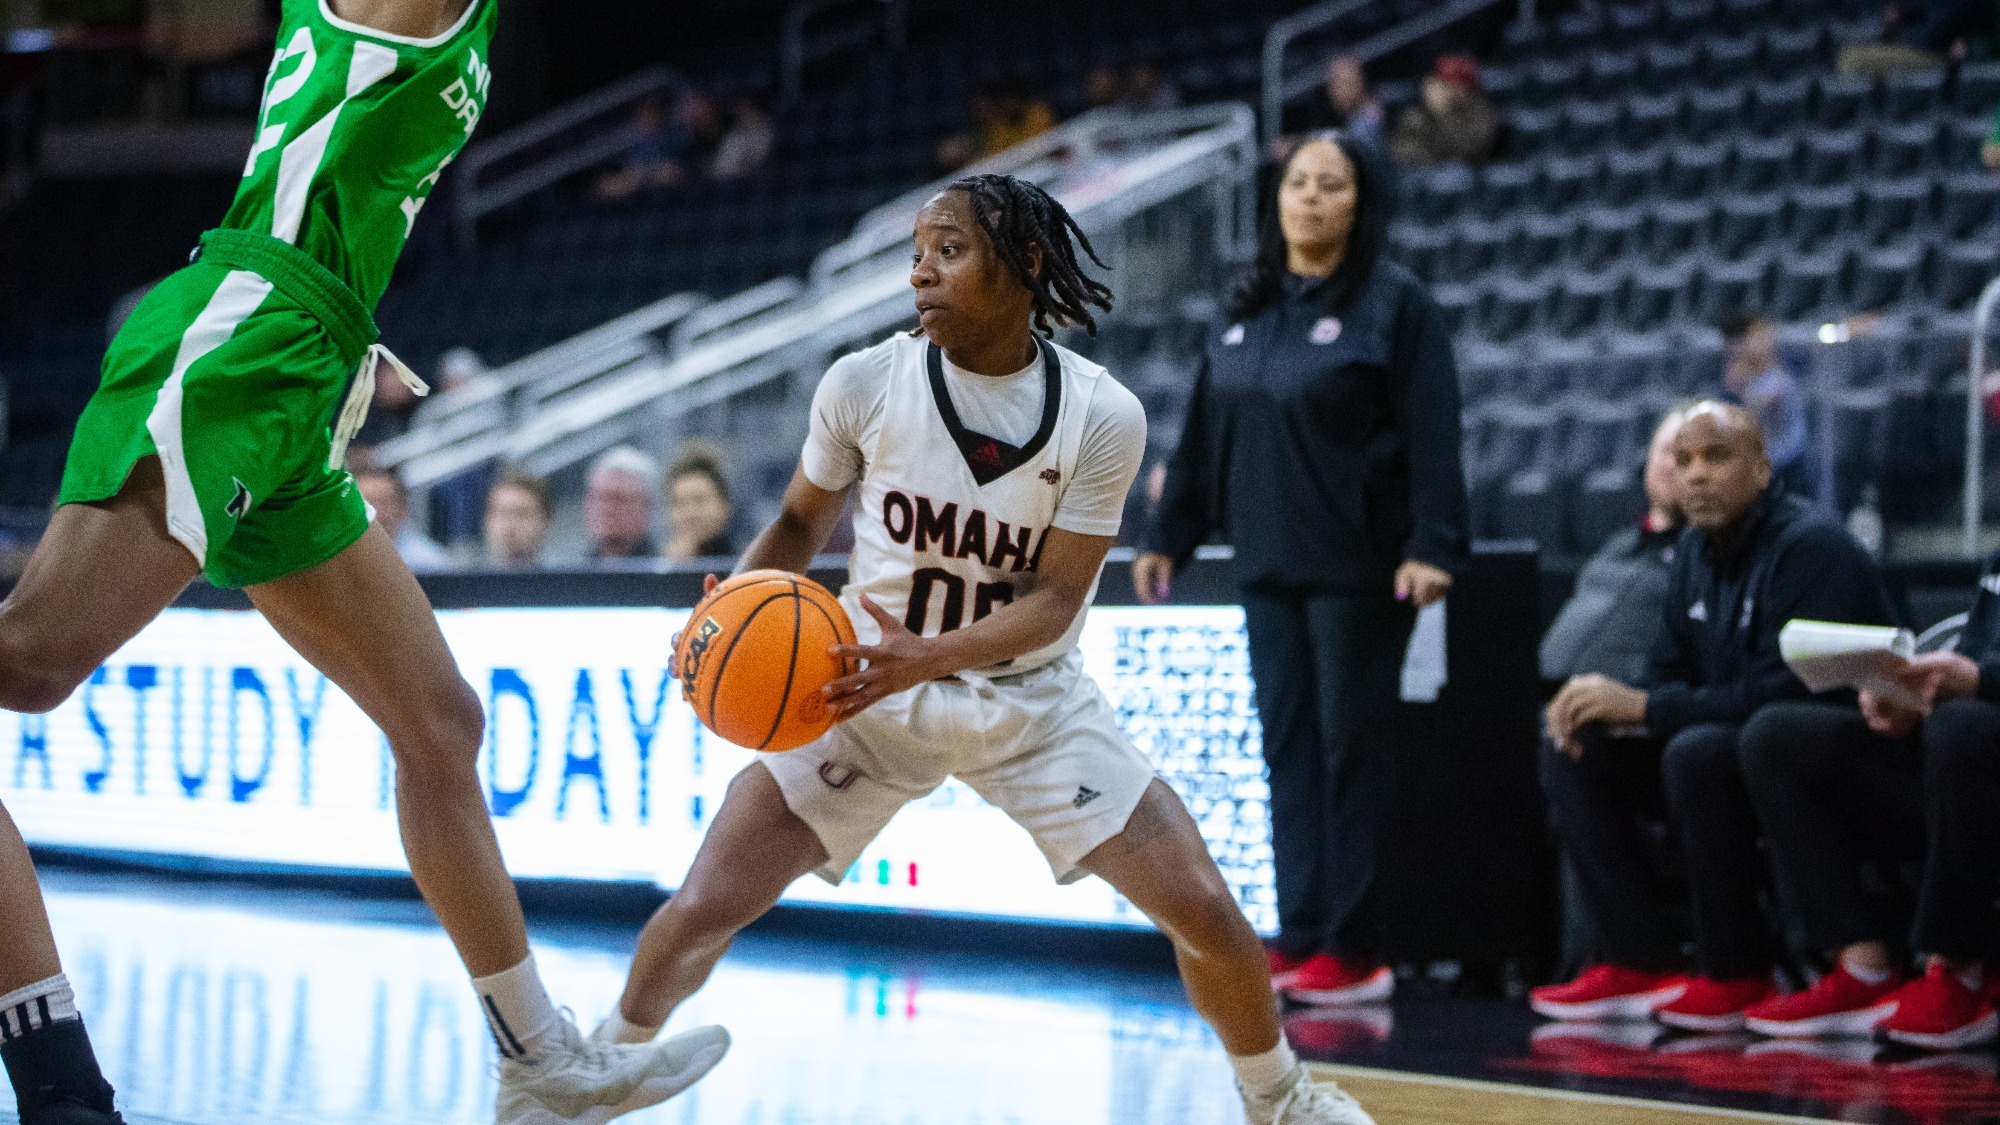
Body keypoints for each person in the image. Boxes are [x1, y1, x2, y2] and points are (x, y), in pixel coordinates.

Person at [0, 1, 728, 1123]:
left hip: (309, 378)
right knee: (30, 666)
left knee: (439, 724)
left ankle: (540, 1062)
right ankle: (57, 1082)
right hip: (246, 338)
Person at [596, 173, 1376, 1125]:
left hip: (1030, 705)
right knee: (707, 901)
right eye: (916, 253)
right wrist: (720, 618)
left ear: (1026, 263)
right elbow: (798, 526)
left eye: (949, 249)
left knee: (1206, 908)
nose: (922, 270)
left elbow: (1054, 601)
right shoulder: (865, 382)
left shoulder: (1103, 415)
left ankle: (1280, 1099)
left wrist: (928, 655)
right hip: (861, 695)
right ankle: (597, 1070)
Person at [1136, 132, 1469, 1008]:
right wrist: (1168, 531)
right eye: (1299, 183)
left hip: (1360, 567)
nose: (1312, 198)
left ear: (1361, 204)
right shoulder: (1246, 303)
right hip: (1267, 560)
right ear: (1276, 198)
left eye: (1333, 185)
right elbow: (1207, 430)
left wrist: (1434, 544)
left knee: (1352, 750)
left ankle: (1359, 948)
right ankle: (1304, 929)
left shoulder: (1395, 304)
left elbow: (1436, 431)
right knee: (1287, 749)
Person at [1530, 403, 1897, 1034]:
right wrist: (1617, 700)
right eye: (1685, 458)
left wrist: (1651, 707)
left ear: (1761, 469)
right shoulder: (1694, 555)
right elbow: (1668, 672)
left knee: (1699, 749)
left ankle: (1743, 968)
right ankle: (1639, 955)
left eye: (1717, 457)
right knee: (1575, 739)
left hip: (1843, 758)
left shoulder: (1812, 548)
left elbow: (1799, 692)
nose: (1696, 474)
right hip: (1737, 745)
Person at [1732, 553, 2000, 1049]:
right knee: (1777, 737)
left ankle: (1962, 973)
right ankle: (1862, 968)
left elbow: (1982, 679)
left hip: (1977, 751)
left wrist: (1980, 682)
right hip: (1963, 766)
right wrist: (1913, 696)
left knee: (1963, 727)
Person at [1540, 410, 1688, 689]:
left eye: (1686, 457)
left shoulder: (1703, 556)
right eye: (1667, 450)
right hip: (1541, 698)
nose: (1673, 465)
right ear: (1645, 460)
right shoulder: (1619, 543)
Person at [1720, 310, 1813, 500]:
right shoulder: (1731, 386)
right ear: (1740, 344)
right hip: (1758, 471)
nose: (1768, 341)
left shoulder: (1789, 365)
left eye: (1769, 334)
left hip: (1794, 465)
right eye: (1758, 336)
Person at [1388, 55, 1496, 169]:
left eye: (1455, 85)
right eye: (1444, 84)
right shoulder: (1418, 113)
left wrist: (1442, 112)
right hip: (1422, 174)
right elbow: (1401, 149)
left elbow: (1465, 152)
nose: (1448, 90)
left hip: (1464, 175)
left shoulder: (1481, 114)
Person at [352, 458, 454, 572]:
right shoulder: (335, 555)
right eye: (367, 502)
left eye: (383, 502)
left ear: (403, 508)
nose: (375, 511)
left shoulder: (429, 562)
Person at [1839, 0, 1990, 76]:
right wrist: (1898, 16)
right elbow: (1915, 11)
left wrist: (1964, 40)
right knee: (1850, 51)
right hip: (1914, 48)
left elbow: (1982, 26)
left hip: (1932, 55)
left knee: (1850, 58)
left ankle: (1845, 117)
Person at [1285, 57, 1386, 154]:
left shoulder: (1370, 120)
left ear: (1362, 83)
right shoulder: (1352, 115)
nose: (1335, 91)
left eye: (1346, 83)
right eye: (1333, 83)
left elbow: (1349, 149)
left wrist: (1299, 144)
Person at [584, 445, 661, 564]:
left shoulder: (666, 569)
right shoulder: (570, 575)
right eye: (599, 497)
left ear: (646, 506)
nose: (606, 508)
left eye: (618, 499)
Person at [660, 445, 736, 563]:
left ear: (724, 506)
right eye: (680, 503)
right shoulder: (656, 564)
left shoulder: (748, 561)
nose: (690, 512)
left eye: (700, 500)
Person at [482, 467, 552, 570]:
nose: (510, 526)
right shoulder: (465, 581)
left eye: (521, 514)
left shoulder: (565, 581)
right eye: (502, 513)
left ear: (546, 521)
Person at [707, 94, 774, 183]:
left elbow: (757, 163)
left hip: (745, 183)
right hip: (720, 180)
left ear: (756, 110)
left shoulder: (765, 132)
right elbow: (720, 164)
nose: (743, 114)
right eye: (741, 110)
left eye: (747, 109)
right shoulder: (737, 134)